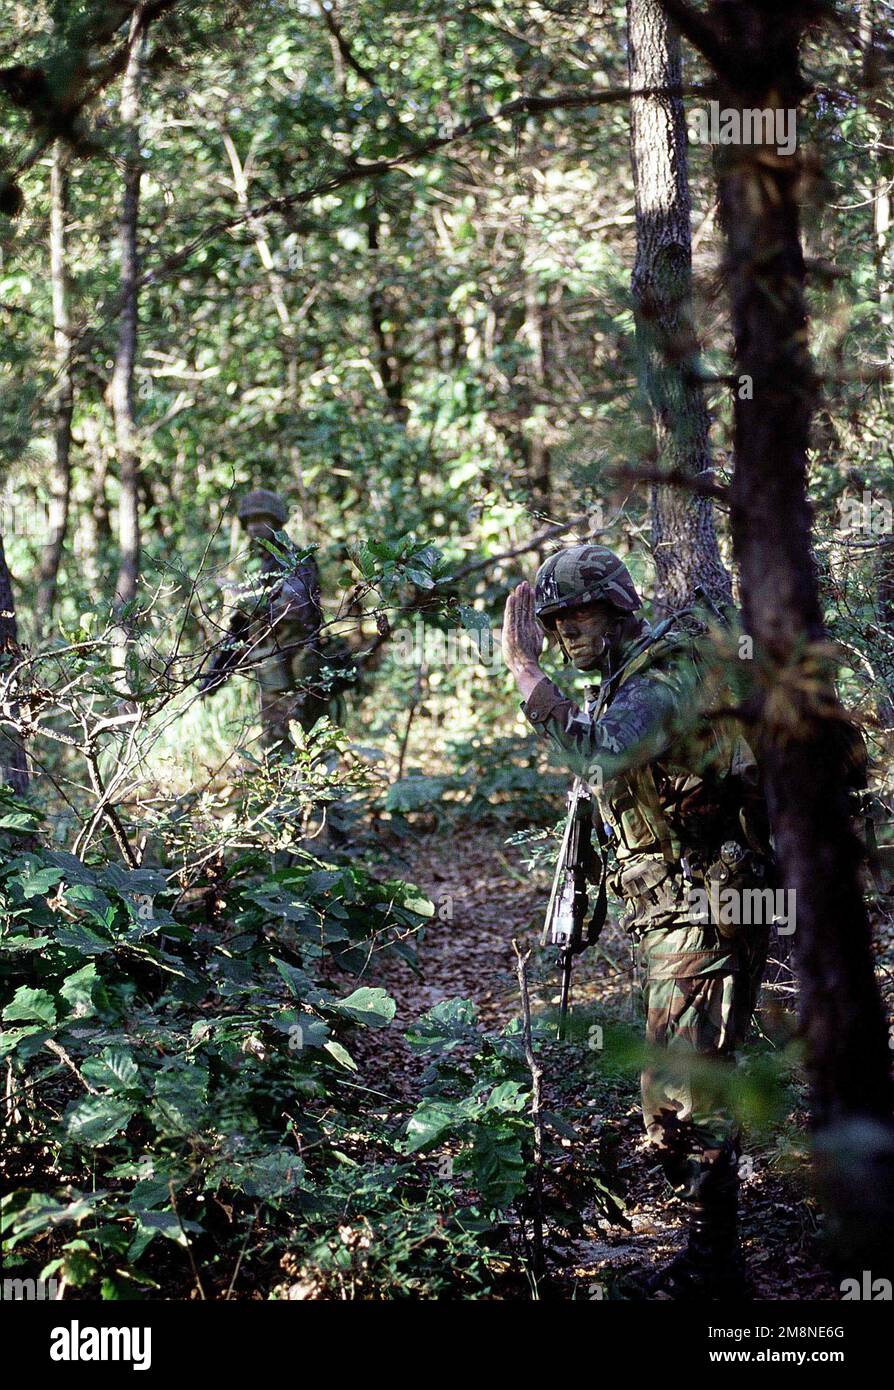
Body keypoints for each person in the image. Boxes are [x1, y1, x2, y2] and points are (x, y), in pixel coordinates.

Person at [502, 543, 773, 1299]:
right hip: (681, 911)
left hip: (711, 907)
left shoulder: (659, 675)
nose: (565, 635)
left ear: (619, 604)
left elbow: (602, 758)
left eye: (578, 615)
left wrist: (528, 679)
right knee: (682, 1089)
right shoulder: (629, 678)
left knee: (681, 1095)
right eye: (553, 624)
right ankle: (713, 1260)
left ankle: (717, 1269)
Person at [200, 489, 354, 750]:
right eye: (250, 521)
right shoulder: (264, 565)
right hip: (275, 671)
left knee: (293, 749)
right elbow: (244, 628)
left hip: (297, 671)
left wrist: (244, 599)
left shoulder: (294, 559)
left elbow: (294, 608)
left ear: (278, 523)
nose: (255, 527)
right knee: (280, 747)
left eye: (263, 520)